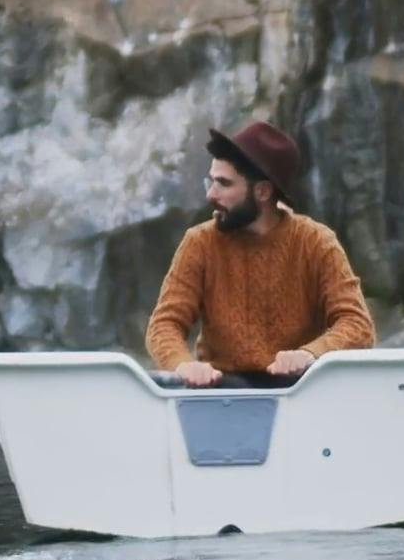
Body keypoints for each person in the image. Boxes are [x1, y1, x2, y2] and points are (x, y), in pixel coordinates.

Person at [145, 119, 375, 387]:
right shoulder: (199, 242)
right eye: (211, 181)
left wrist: (309, 353)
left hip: (300, 390)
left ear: (263, 191)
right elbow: (164, 324)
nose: (210, 194)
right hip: (221, 392)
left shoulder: (316, 242)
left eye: (224, 184)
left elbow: (358, 324)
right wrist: (183, 365)